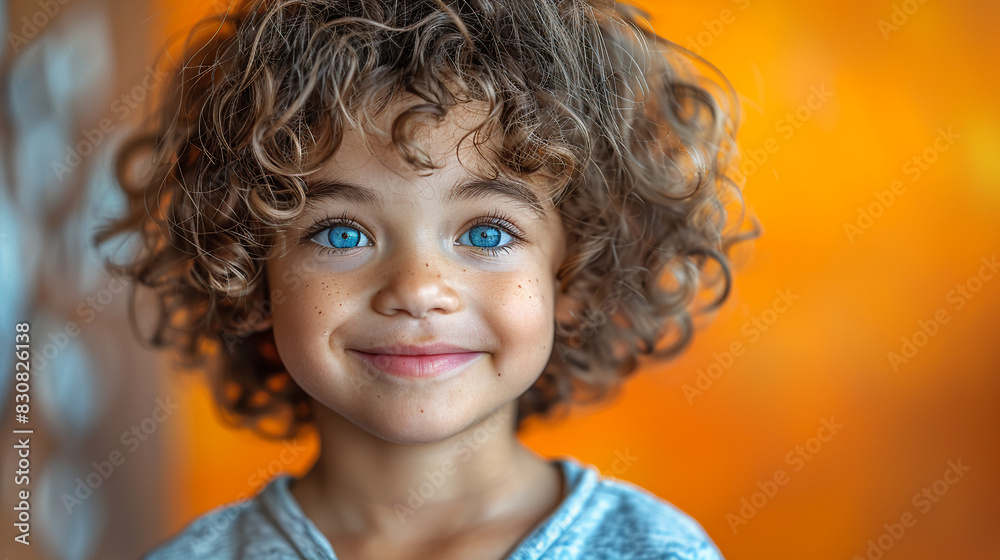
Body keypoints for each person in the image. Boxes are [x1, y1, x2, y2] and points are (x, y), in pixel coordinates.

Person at [97, 0, 759, 557]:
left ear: (575, 273)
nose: (417, 288)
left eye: (488, 234)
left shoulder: (655, 550)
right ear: (246, 273)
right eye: (341, 233)